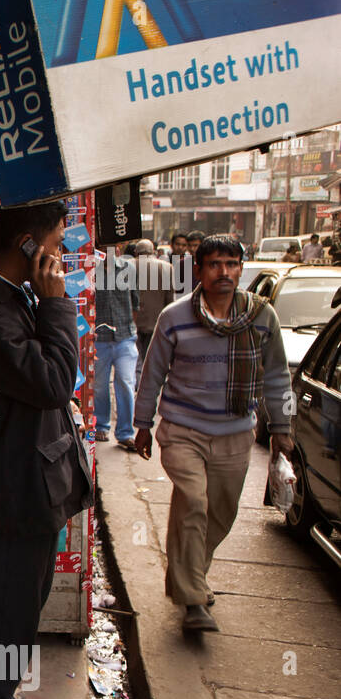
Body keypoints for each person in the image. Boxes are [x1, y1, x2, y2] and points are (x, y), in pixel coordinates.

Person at [0, 201, 93, 699]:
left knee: (25, 593)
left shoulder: (10, 296)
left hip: (32, 477)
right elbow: (53, 380)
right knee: (11, 598)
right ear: (28, 244)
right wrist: (58, 303)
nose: (62, 251)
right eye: (56, 239)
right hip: (15, 484)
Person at [133, 236, 292, 632]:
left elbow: (276, 376)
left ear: (241, 268)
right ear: (199, 271)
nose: (224, 272)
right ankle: (193, 601)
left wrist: (282, 429)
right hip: (183, 431)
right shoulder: (174, 317)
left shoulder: (261, 317)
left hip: (236, 434)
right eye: (215, 264)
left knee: (221, 513)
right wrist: (142, 424)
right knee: (193, 502)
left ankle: (190, 577)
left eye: (232, 264)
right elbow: (152, 373)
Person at [93, 240, 141, 450]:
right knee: (100, 386)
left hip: (125, 337)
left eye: (115, 247)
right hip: (100, 339)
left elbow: (135, 300)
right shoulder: (91, 270)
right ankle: (102, 425)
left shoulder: (128, 268)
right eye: (104, 248)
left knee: (125, 383)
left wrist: (131, 328)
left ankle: (125, 432)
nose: (111, 251)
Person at [131, 238, 175, 387]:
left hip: (132, 319)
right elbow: (170, 298)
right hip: (156, 319)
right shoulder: (167, 267)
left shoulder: (127, 266)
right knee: (152, 354)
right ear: (153, 251)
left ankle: (137, 382)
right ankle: (150, 382)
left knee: (136, 355)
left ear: (136, 252)